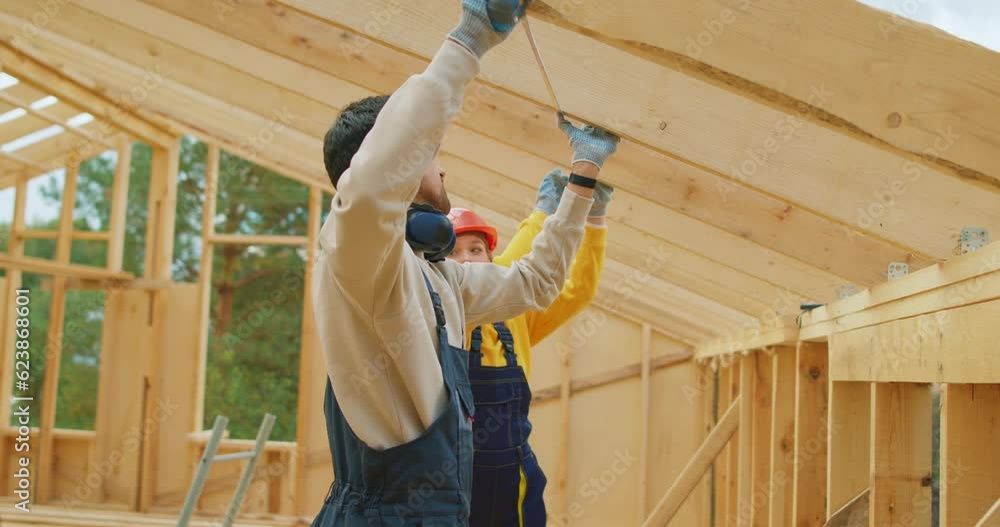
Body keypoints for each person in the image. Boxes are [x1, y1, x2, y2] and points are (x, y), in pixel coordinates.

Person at [309, 1, 622, 524]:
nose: (442, 165)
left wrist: (582, 181)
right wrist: (472, 37)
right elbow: (380, 175)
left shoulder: (438, 279)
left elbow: (535, 282)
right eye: (429, 155)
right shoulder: (354, 260)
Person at [446, 159, 613, 526]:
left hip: (514, 479)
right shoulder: (440, 316)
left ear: (489, 256)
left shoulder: (517, 315)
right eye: (454, 253)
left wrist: (595, 220)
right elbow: (510, 268)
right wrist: (544, 212)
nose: (467, 262)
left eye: (475, 250)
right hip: (450, 482)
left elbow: (578, 290)